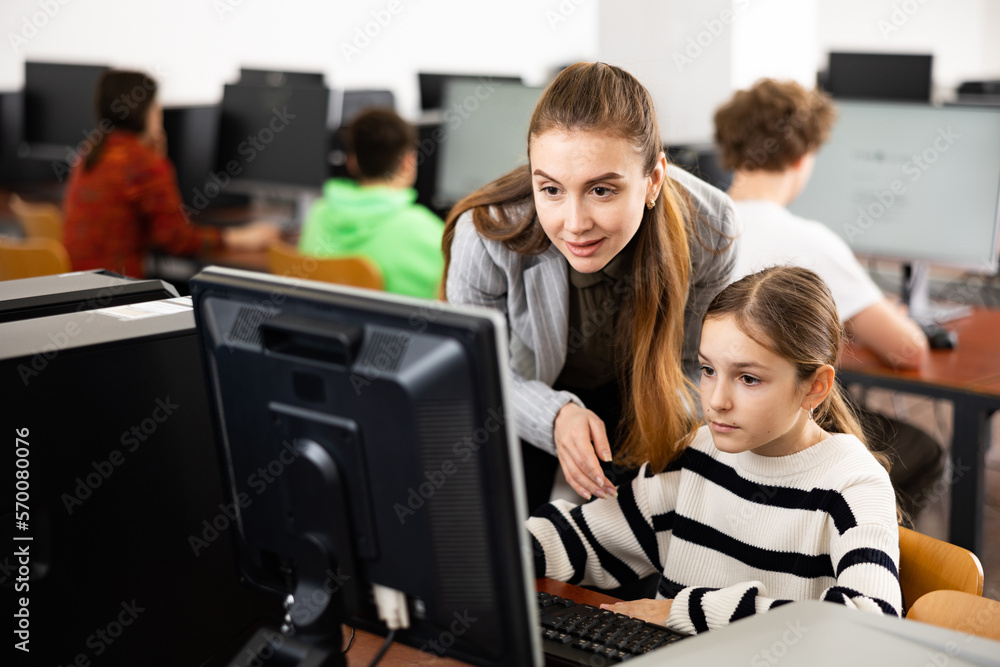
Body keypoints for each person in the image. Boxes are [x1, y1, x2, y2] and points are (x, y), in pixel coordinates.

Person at [528, 266, 903, 634]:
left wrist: (689, 611)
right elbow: (588, 538)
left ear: (815, 387)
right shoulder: (700, 452)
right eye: (708, 370)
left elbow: (870, 625)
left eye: (748, 378)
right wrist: (491, 551)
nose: (717, 401)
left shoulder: (853, 484)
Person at [443, 62, 737, 512]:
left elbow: (694, 365)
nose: (575, 225)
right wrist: (553, 416)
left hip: (644, 388)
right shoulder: (486, 236)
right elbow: (476, 373)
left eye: (601, 190)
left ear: (653, 180)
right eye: (552, 190)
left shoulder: (709, 226)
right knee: (508, 537)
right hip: (524, 391)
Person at [713, 79, 941, 519]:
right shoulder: (807, 241)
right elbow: (907, 348)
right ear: (803, 157)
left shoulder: (692, 227)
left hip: (704, 421)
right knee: (922, 449)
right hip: (768, 432)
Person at [63, 70, 279, 279]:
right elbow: (177, 241)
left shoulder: (91, 150)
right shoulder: (142, 162)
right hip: (118, 290)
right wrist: (241, 238)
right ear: (147, 111)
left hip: (79, 283)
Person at [298, 108, 444, 300]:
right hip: (396, 329)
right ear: (408, 162)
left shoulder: (318, 212)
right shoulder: (427, 229)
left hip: (318, 327)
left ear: (352, 162)